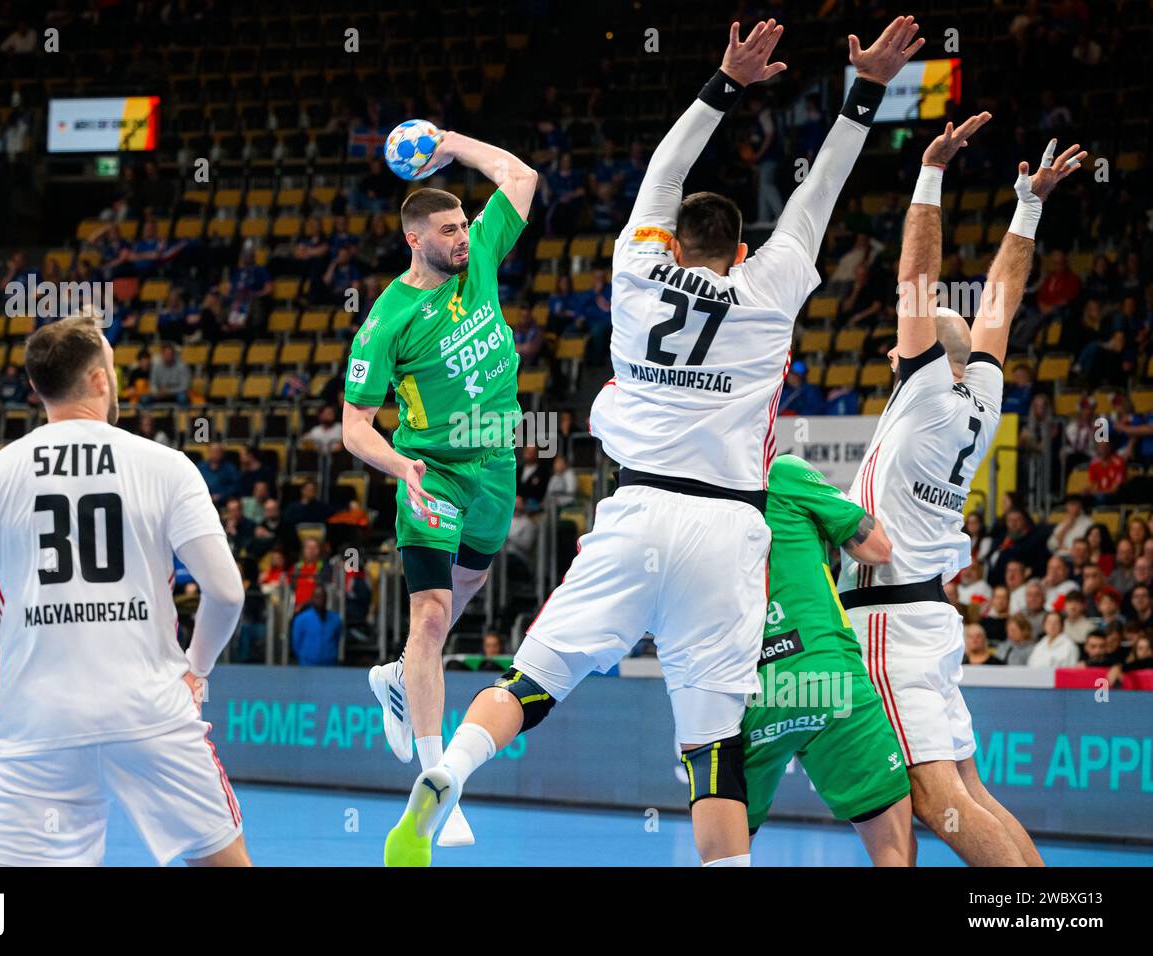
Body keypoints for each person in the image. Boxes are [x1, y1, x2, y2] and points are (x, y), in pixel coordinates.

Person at [384, 18, 924, 868]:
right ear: (743, 250)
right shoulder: (772, 287)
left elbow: (665, 170)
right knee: (714, 752)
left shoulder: (635, 267)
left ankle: (449, 767)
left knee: (530, 683)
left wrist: (724, 81)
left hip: (634, 512)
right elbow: (819, 193)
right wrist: (864, 92)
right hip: (726, 533)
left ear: (671, 241)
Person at [0, 316, 249, 867]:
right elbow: (227, 593)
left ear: (38, 389)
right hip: (151, 713)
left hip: (39, 724)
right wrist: (196, 669)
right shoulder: (167, 467)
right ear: (98, 381)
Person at [838, 121, 1084, 866]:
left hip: (890, 620)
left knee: (934, 802)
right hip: (933, 616)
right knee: (972, 792)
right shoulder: (980, 391)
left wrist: (929, 174)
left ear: (920, 358)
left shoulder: (919, 395)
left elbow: (918, 275)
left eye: (900, 344)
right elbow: (1001, 301)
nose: (891, 348)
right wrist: (1028, 208)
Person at [345, 109, 539, 853]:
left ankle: (394, 680)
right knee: (430, 618)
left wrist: (450, 146)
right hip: (432, 476)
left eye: (465, 225)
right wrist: (402, 466)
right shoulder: (386, 322)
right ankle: (436, 789)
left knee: (456, 603)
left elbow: (520, 177)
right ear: (413, 239)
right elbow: (354, 425)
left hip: (495, 469)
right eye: (449, 230)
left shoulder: (483, 256)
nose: (463, 236)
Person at [741, 455, 911, 864]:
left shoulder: (693, 497)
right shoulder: (782, 472)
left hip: (748, 691)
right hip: (824, 672)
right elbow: (878, 549)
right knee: (892, 849)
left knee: (726, 851)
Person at [290, 587, 342, 666]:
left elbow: (337, 638)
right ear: (312, 598)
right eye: (317, 596)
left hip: (330, 665)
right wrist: (303, 658)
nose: (320, 600)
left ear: (326, 598)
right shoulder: (301, 619)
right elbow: (296, 642)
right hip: (307, 665)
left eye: (323, 596)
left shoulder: (335, 619)